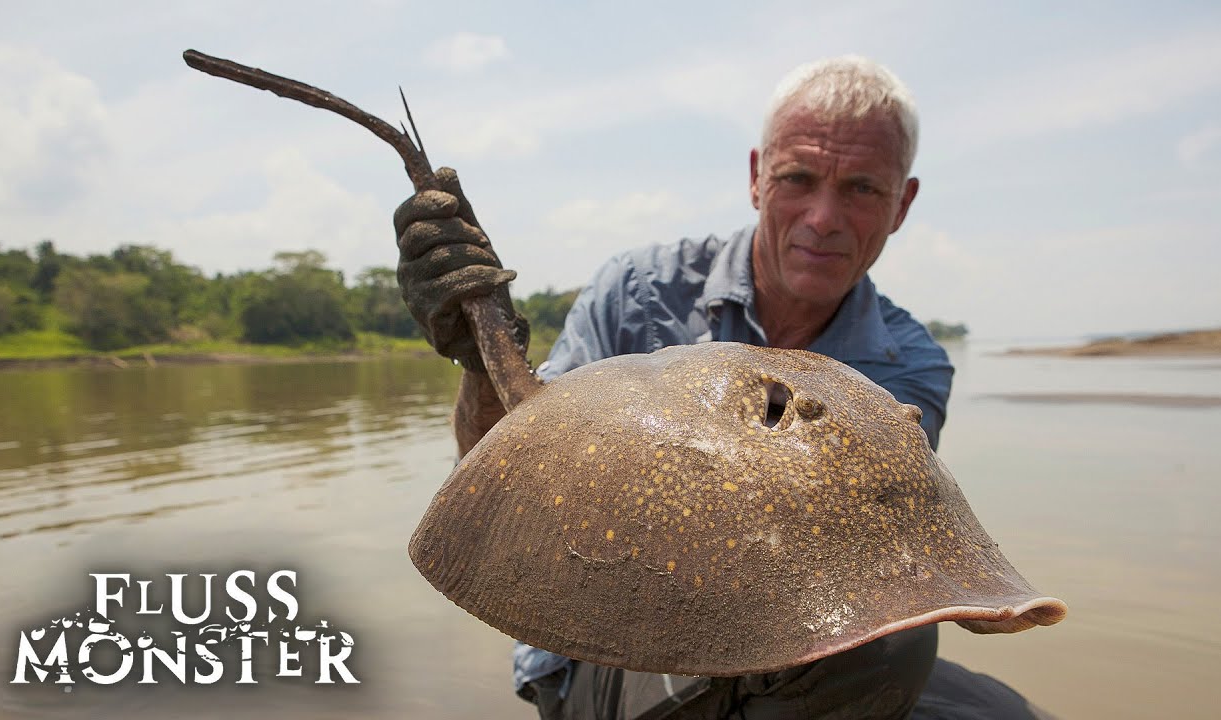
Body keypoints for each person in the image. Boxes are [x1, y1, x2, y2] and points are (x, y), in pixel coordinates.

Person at [395, 56, 1050, 720]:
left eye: (861, 189)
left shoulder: (907, 359)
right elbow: (507, 489)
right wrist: (482, 360)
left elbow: (869, 562)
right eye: (798, 178)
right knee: (892, 654)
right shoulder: (635, 294)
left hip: (801, 630)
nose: (823, 217)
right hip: (601, 645)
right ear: (756, 179)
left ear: (902, 203)